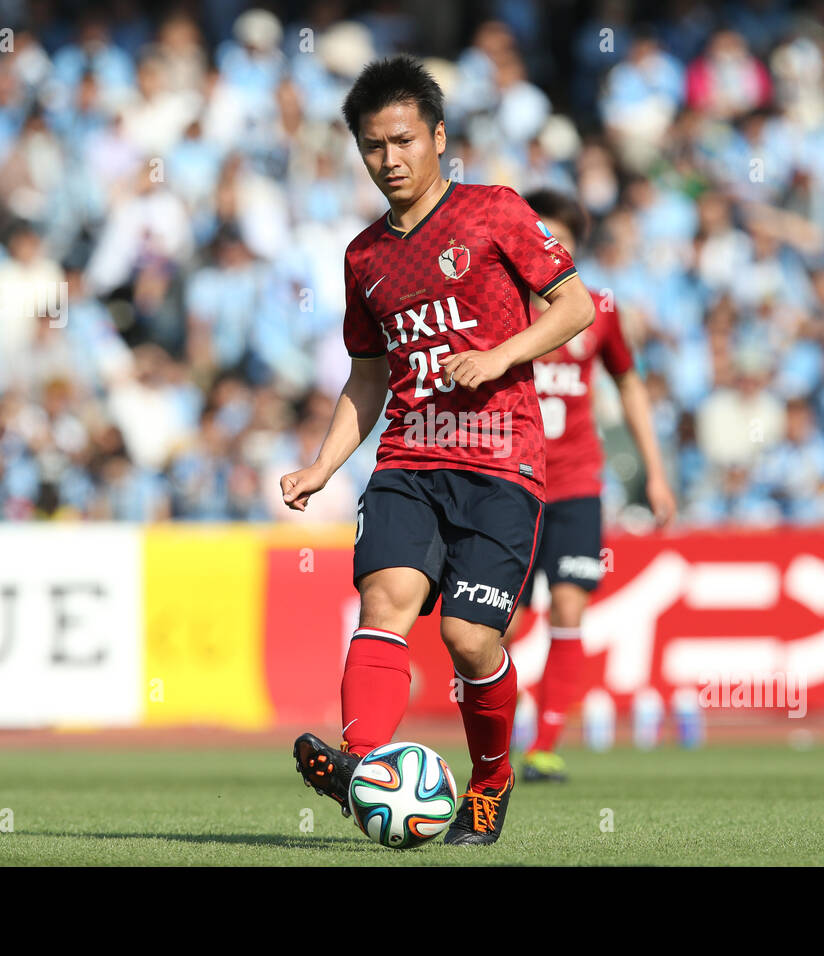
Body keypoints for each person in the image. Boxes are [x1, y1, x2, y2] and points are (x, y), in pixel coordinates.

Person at [280, 55, 594, 845]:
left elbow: (575, 305)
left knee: (468, 639)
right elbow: (369, 377)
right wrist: (324, 464)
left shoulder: (494, 211)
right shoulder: (364, 258)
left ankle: (490, 780)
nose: (390, 161)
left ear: (439, 137)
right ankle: (364, 766)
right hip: (407, 460)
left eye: (404, 141)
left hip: (501, 459)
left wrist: (500, 356)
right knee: (383, 603)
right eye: (373, 148)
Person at [504, 189, 676, 783]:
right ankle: (496, 738)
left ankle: (544, 745)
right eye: (539, 239)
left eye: (559, 241)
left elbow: (629, 385)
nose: (547, 251)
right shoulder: (498, 305)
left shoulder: (599, 309)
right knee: (501, 624)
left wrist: (655, 471)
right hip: (509, 482)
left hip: (576, 482)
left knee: (570, 604)